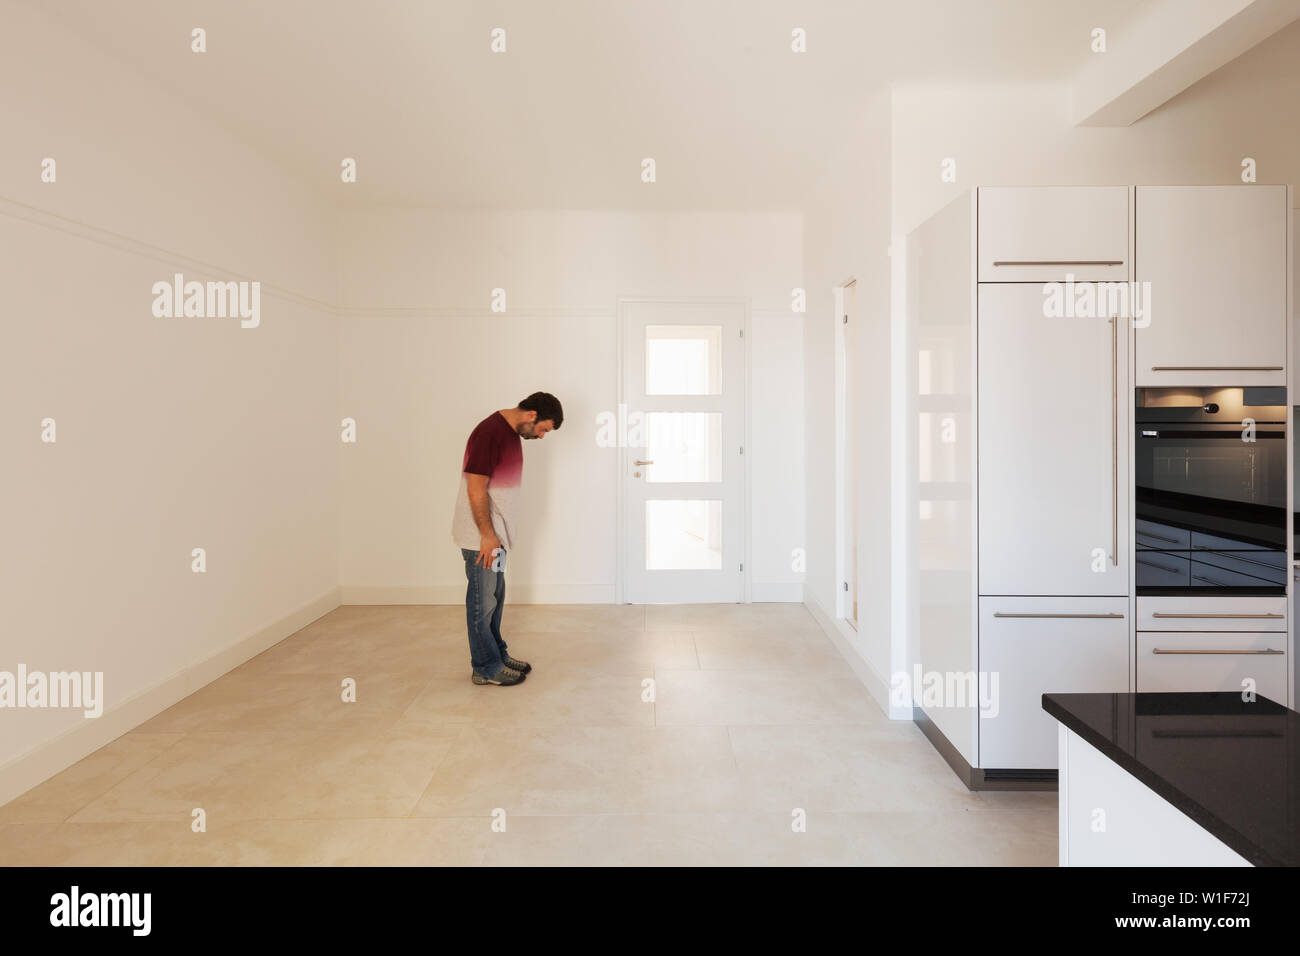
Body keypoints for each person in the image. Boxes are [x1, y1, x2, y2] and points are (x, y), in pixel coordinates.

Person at [450, 392, 563, 685]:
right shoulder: (490, 432)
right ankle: (485, 667)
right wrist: (487, 536)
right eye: (544, 429)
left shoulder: (510, 432)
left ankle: (497, 654)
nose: (541, 437)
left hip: (496, 537)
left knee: (495, 598)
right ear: (531, 415)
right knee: (481, 601)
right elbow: (475, 489)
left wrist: (496, 536)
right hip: (482, 538)